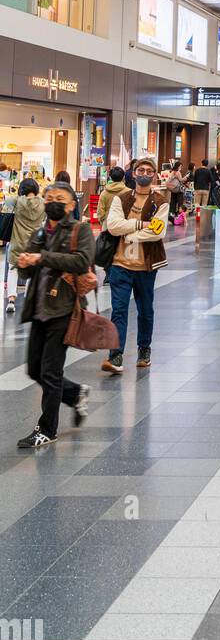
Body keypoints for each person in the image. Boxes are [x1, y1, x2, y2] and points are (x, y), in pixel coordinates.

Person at [15, 179, 94, 448]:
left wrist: (42, 258)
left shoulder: (79, 229)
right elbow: (28, 267)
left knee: (50, 371)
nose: (53, 202)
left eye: (60, 198)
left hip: (63, 308)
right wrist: (24, 262)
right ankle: (75, 394)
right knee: (34, 369)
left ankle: (47, 428)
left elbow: (82, 261)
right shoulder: (40, 233)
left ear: (72, 204)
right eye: (49, 197)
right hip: (39, 309)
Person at [103, 156, 170, 375]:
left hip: (146, 266)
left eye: (149, 171)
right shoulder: (120, 199)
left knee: (145, 310)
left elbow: (157, 231)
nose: (144, 174)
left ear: (155, 175)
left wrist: (131, 234)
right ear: (133, 173)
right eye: (140, 170)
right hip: (119, 264)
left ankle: (144, 349)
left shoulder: (161, 201)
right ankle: (116, 354)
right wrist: (141, 224)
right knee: (119, 310)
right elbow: (113, 226)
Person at [6, 178, 45, 315]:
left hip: (17, 242)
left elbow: (6, 201)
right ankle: (28, 300)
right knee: (31, 272)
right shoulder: (42, 203)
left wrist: (19, 194)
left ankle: (11, 300)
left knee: (13, 270)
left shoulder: (18, 201)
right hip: (34, 244)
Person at [164, 160, 184, 224]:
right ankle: (179, 214)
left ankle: (172, 213)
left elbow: (169, 179)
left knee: (173, 201)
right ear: (178, 166)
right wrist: (186, 177)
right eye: (180, 166)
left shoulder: (172, 172)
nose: (181, 167)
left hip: (173, 189)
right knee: (179, 202)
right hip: (178, 189)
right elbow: (181, 180)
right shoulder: (178, 172)